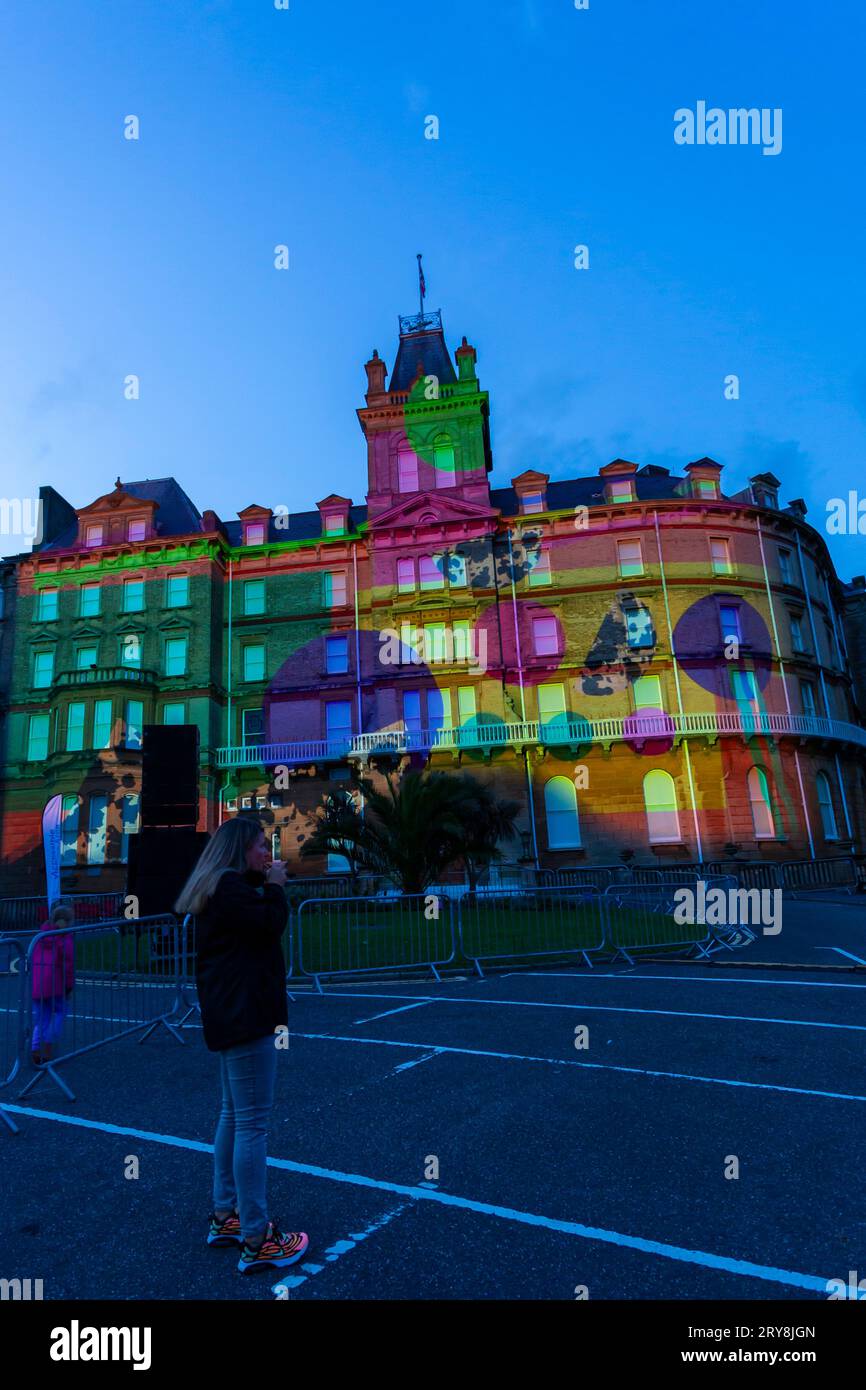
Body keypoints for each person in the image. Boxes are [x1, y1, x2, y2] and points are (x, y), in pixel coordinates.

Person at [175, 817, 309, 1274]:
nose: (266, 853)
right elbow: (268, 925)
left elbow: (250, 927)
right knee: (253, 1123)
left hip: (231, 1014)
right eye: (259, 845)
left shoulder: (219, 886)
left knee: (233, 1115)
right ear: (238, 850)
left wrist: (264, 878)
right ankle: (257, 1237)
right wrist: (275, 886)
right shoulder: (230, 888)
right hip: (246, 1016)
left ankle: (225, 1215)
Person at [31, 898, 75, 1067]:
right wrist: (69, 986)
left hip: (37, 984)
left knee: (42, 1018)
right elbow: (68, 966)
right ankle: (48, 1048)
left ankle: (35, 1049)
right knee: (60, 1012)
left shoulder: (41, 936)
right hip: (55, 984)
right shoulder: (65, 940)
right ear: (67, 922)